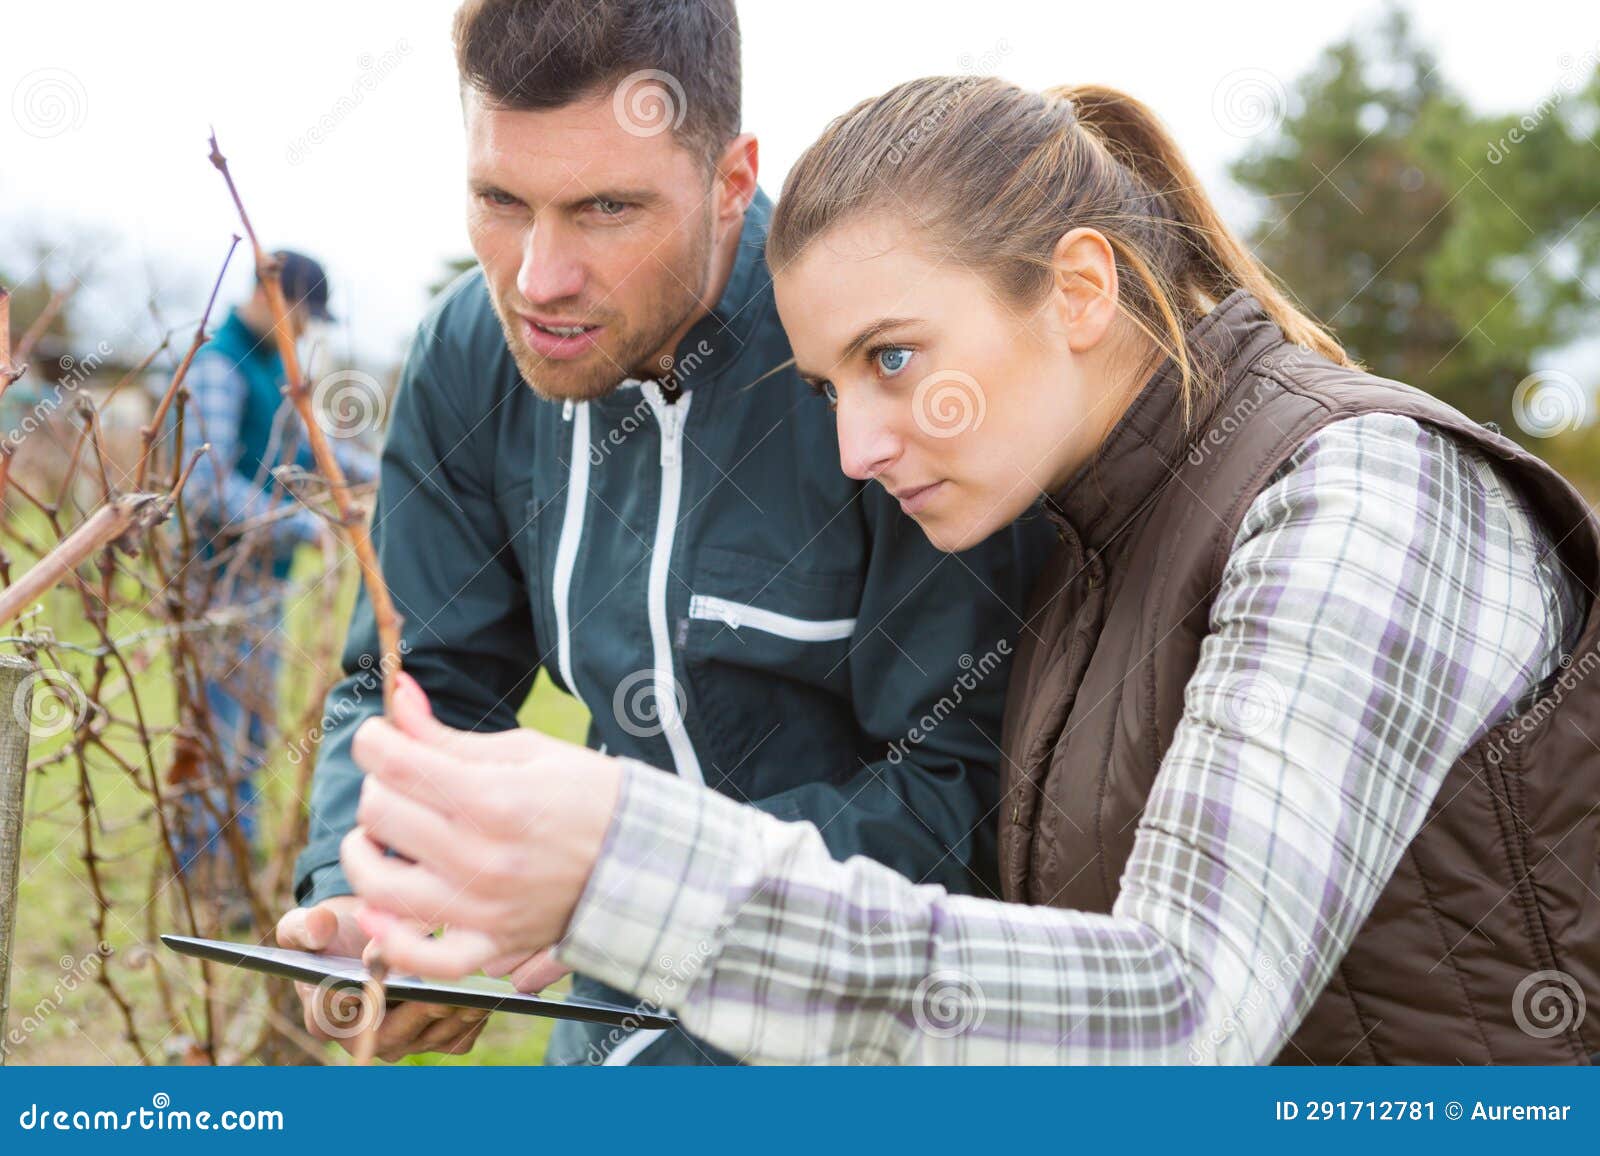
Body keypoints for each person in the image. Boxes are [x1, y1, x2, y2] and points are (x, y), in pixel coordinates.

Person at [339, 77, 1600, 1064]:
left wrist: (631, 866)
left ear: (1079, 289)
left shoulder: (1363, 499)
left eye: (891, 358)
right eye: (827, 386)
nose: (854, 446)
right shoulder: (1079, 541)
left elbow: (1183, 1017)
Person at [277, 2, 1050, 1065]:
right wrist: (371, 906)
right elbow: (414, 687)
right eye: (500, 199)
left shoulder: (871, 359)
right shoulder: (469, 350)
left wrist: (637, 887)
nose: (538, 278)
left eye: (606, 208)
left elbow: (965, 786)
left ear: (733, 183)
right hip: (601, 1030)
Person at [178, 250, 375, 889]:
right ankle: (211, 879)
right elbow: (203, 486)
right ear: (269, 296)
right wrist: (299, 525)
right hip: (219, 583)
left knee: (253, 732)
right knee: (223, 735)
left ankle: (236, 871)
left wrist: (392, 470)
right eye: (302, 315)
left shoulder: (270, 365)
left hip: (260, 582)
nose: (307, 331)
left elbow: (309, 449)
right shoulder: (219, 364)